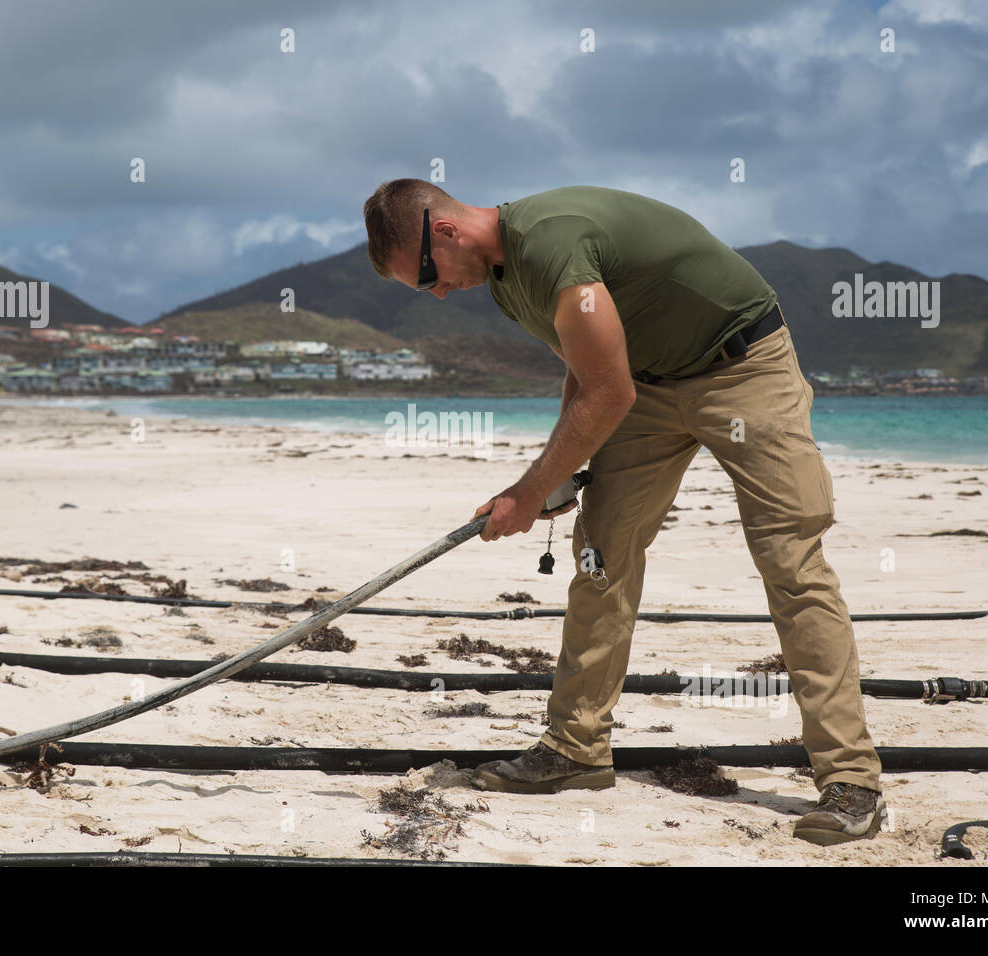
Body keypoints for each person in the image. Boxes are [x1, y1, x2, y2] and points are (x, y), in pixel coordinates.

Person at [362, 180, 886, 844]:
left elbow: (607, 393)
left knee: (791, 563)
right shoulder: (502, 282)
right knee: (599, 555)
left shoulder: (551, 240)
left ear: (446, 232)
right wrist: (560, 477)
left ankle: (851, 783)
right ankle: (574, 751)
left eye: (430, 277)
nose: (438, 293)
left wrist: (526, 492)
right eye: (424, 290)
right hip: (646, 388)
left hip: (742, 365)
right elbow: (588, 370)